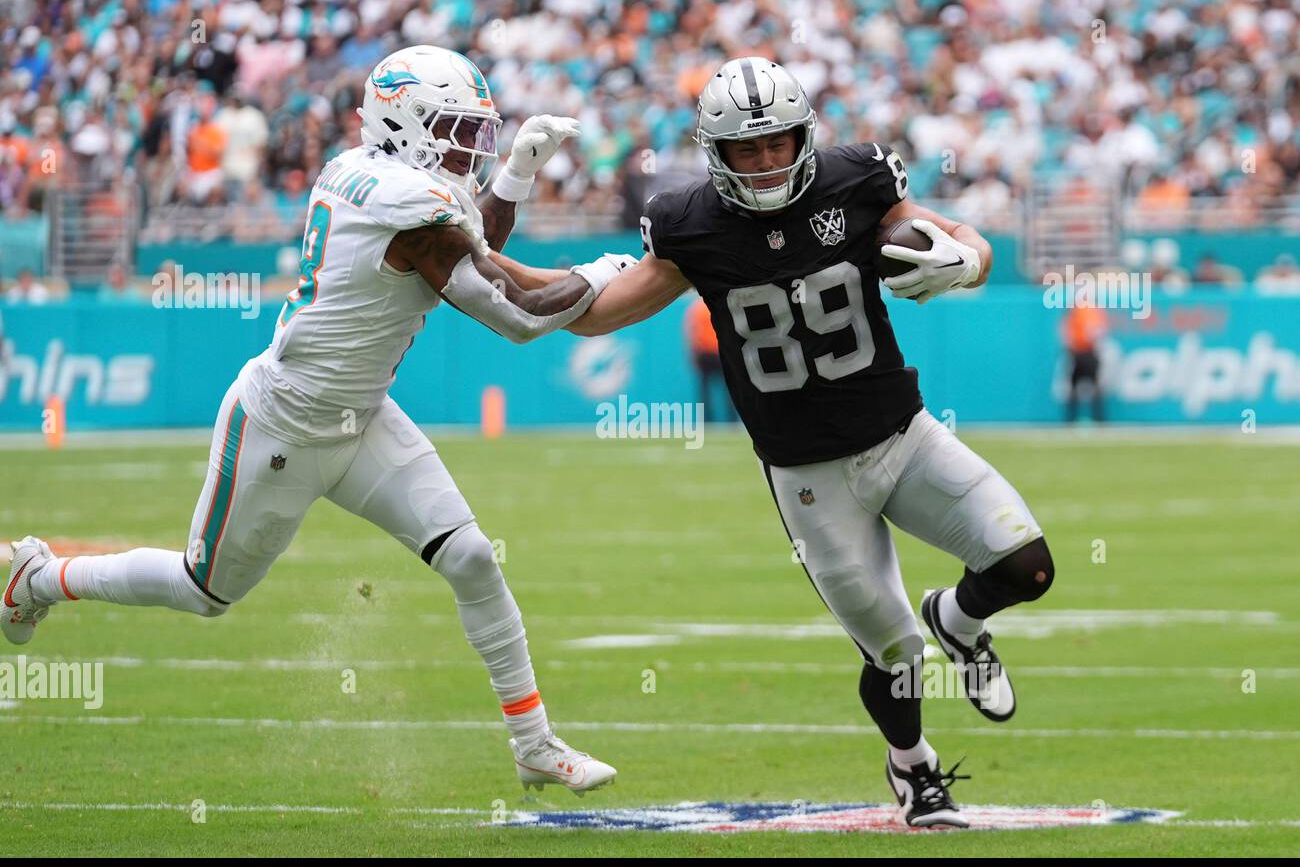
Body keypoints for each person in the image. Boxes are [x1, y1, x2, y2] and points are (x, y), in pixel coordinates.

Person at [4, 46, 635, 796]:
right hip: (284, 424)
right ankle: (42, 577)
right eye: (456, 130)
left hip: (361, 415)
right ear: (406, 125)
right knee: (204, 590)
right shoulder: (406, 205)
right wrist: (604, 273)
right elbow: (516, 311)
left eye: (476, 132)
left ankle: (533, 743)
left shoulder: (370, 175)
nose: (470, 148)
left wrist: (516, 176)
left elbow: (469, 249)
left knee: (471, 557)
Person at [563, 58, 1055, 827]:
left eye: (777, 142)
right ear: (716, 153)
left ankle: (959, 619)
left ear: (804, 136)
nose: (764, 161)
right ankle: (913, 766)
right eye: (746, 148)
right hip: (808, 474)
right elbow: (597, 315)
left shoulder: (856, 180)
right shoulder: (690, 224)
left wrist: (967, 260)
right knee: (894, 653)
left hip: (903, 434)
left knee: (1028, 565)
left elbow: (967, 243)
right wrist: (492, 277)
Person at [1062, 295, 1107, 423]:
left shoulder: (1084, 311)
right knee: (1084, 387)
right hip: (1084, 352)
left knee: (1085, 387)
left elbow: (1068, 334)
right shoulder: (1087, 311)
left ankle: (1073, 419)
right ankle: (1096, 419)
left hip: (1083, 352)